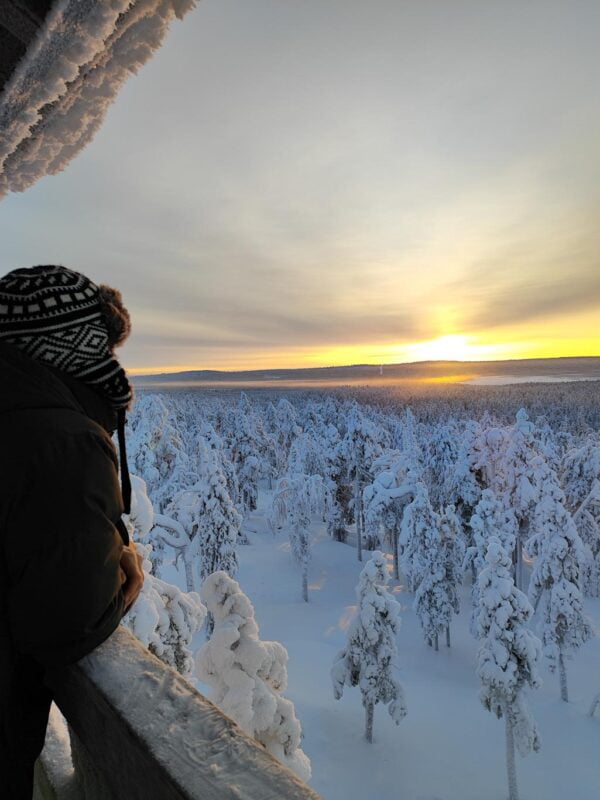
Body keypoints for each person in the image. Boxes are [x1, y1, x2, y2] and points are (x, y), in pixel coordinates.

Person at [0, 264, 144, 798]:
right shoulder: (61, 442)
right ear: (73, 351)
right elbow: (65, 623)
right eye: (106, 346)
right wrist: (124, 583)